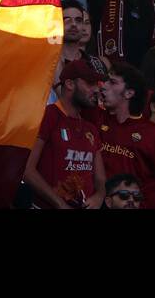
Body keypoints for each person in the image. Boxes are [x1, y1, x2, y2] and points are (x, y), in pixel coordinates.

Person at [96, 61, 155, 210]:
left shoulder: (150, 133)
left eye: (112, 82)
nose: (104, 86)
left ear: (129, 93)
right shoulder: (98, 119)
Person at [24, 60, 107, 209]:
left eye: (98, 84)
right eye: (90, 83)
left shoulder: (91, 128)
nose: (96, 89)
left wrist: (100, 195)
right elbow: (27, 170)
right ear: (69, 84)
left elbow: (100, 177)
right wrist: (61, 205)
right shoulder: (47, 115)